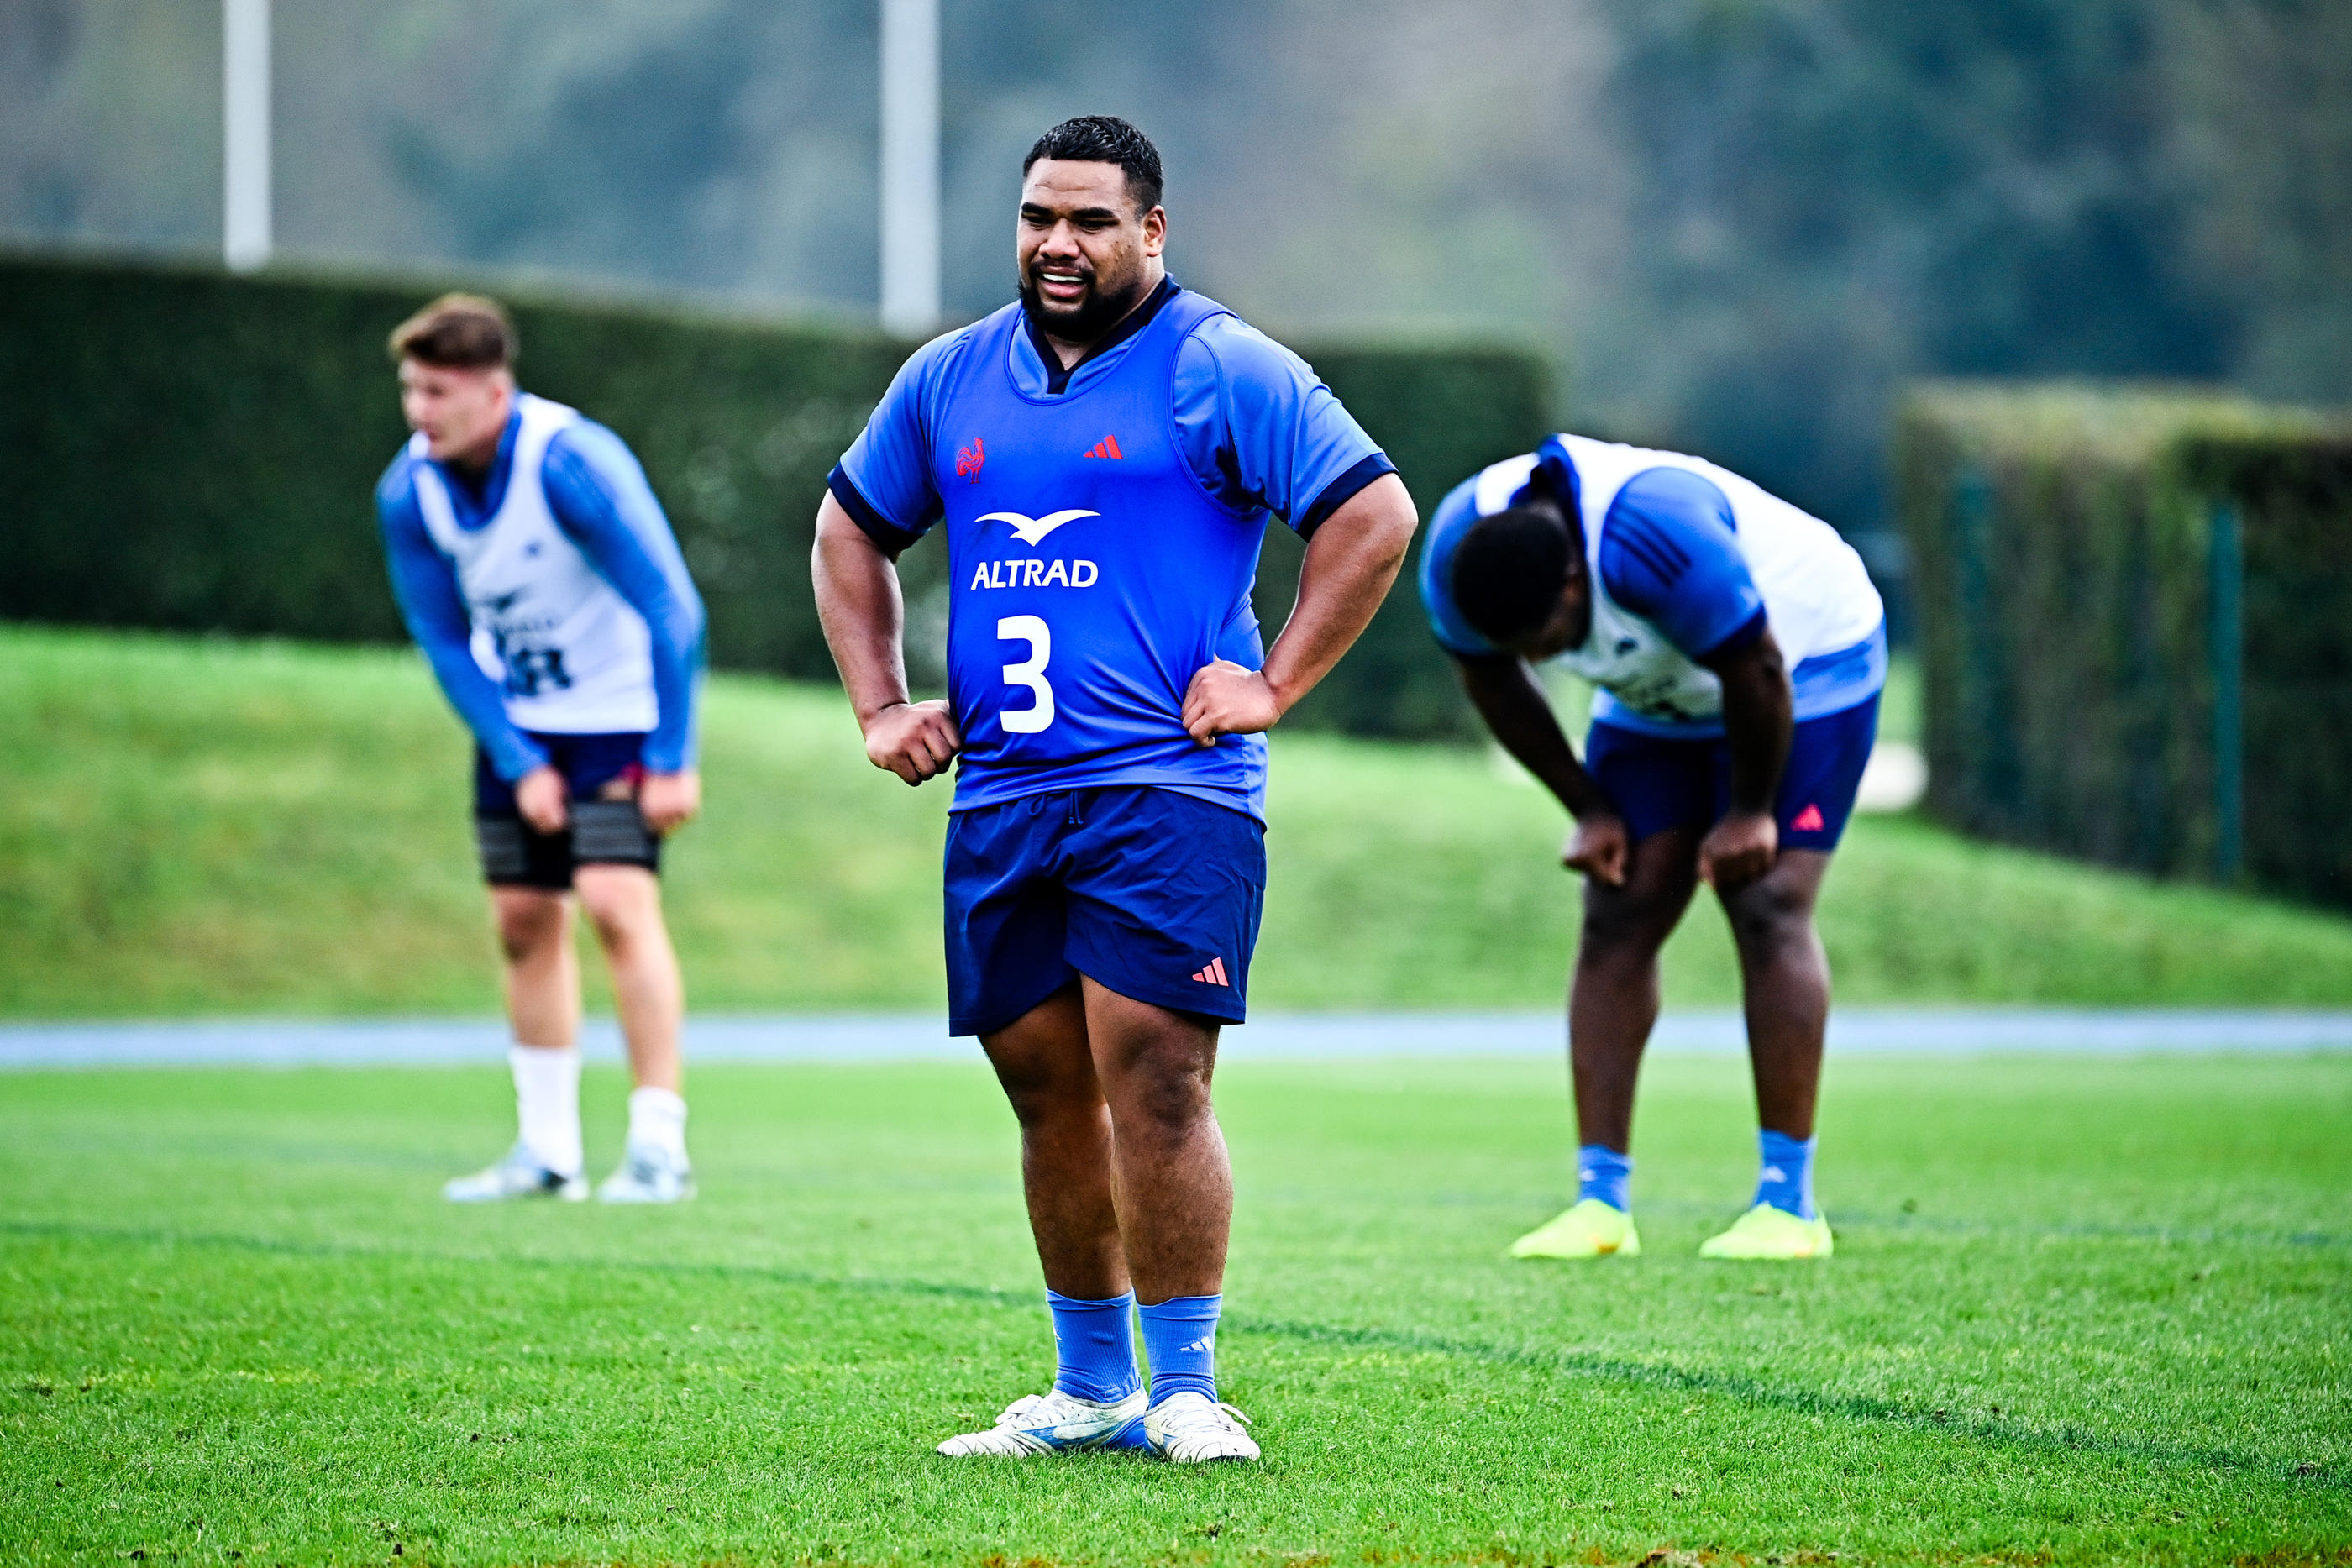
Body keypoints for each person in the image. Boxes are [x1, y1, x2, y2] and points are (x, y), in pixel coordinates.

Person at [812, 116, 1417, 1461]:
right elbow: (849, 526)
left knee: (1155, 1076)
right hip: (1004, 798)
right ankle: (1088, 1390)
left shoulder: (1221, 363)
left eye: (1090, 220)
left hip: (1168, 787)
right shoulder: (948, 378)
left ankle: (1187, 1386)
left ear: (1151, 230)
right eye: (1039, 216)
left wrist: (1275, 682)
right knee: (1044, 1087)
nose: (1058, 244)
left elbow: (1373, 515)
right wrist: (879, 703)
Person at [1421, 434, 1884, 1261]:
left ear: (1576, 581)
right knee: (1617, 906)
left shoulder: (1652, 535)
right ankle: (1600, 1205)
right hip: (1657, 687)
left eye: (1550, 634)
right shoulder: (1460, 556)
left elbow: (1755, 670)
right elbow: (1491, 680)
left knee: (1767, 899)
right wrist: (1589, 807)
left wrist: (1747, 811)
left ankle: (1788, 1204)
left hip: (1802, 663)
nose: (1540, 656)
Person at [375, 293, 707, 1205]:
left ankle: (655, 1144)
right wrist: (519, 761)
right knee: (523, 921)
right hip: (521, 723)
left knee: (613, 903)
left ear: (493, 390)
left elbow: (673, 608)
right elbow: (443, 640)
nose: (419, 411)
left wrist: (674, 754)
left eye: (437, 391)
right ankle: (547, 1150)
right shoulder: (410, 490)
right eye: (410, 389)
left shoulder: (571, 463)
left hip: (618, 717)